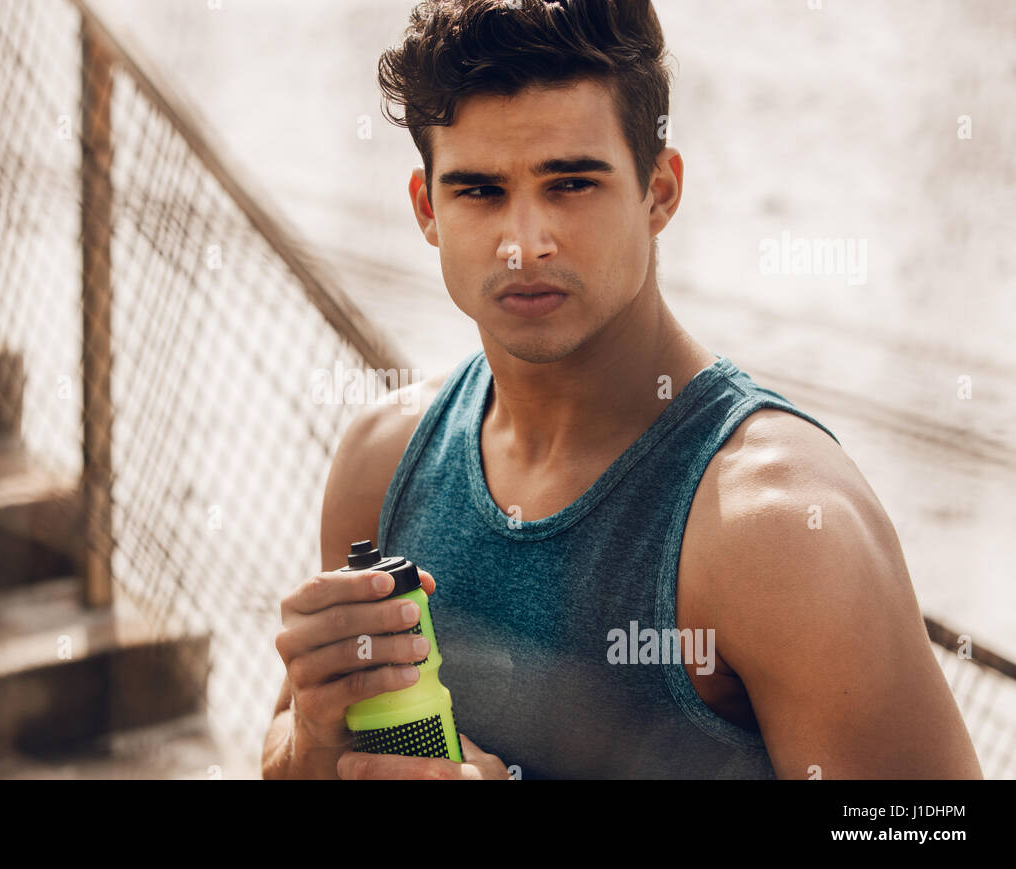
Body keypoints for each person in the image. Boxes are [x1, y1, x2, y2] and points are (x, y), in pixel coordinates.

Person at [262, 0, 982, 779]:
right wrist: (314, 742)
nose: (524, 244)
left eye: (571, 183)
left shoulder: (782, 527)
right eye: (480, 191)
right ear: (427, 208)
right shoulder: (382, 462)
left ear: (659, 191)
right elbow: (286, 748)